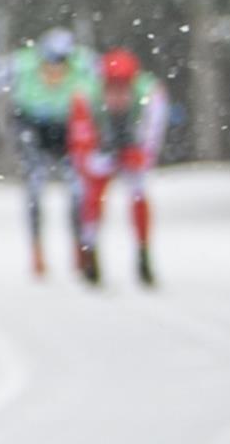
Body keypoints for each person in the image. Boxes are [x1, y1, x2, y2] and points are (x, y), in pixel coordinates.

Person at [0, 28, 98, 278]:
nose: (55, 71)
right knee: (35, 189)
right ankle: (37, 251)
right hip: (33, 127)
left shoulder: (85, 64)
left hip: (67, 128)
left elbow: (118, 79)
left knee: (77, 190)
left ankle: (80, 250)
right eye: (49, 63)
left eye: (61, 64)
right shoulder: (22, 64)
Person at [69, 48, 170, 286]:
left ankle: (143, 253)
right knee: (92, 196)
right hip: (98, 145)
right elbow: (79, 142)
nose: (117, 95)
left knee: (138, 193)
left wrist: (137, 156)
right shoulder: (84, 96)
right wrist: (95, 159)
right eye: (111, 88)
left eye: (123, 87)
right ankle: (90, 251)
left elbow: (152, 139)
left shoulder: (151, 95)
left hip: (133, 143)